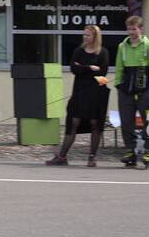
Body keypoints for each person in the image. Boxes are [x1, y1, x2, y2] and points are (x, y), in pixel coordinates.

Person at [46, 25, 110, 167]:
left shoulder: (103, 53)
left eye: (88, 35)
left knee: (95, 123)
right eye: (84, 35)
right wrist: (89, 68)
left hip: (95, 93)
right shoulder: (79, 51)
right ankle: (62, 157)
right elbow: (73, 69)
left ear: (95, 37)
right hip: (79, 91)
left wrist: (84, 69)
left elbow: (102, 74)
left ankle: (92, 157)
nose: (85, 37)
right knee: (73, 121)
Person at [114, 15, 149, 169]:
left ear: (140, 29)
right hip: (126, 91)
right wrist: (118, 84)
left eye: (134, 29)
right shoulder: (122, 46)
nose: (131, 32)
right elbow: (119, 68)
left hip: (145, 91)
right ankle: (130, 151)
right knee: (126, 122)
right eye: (129, 28)